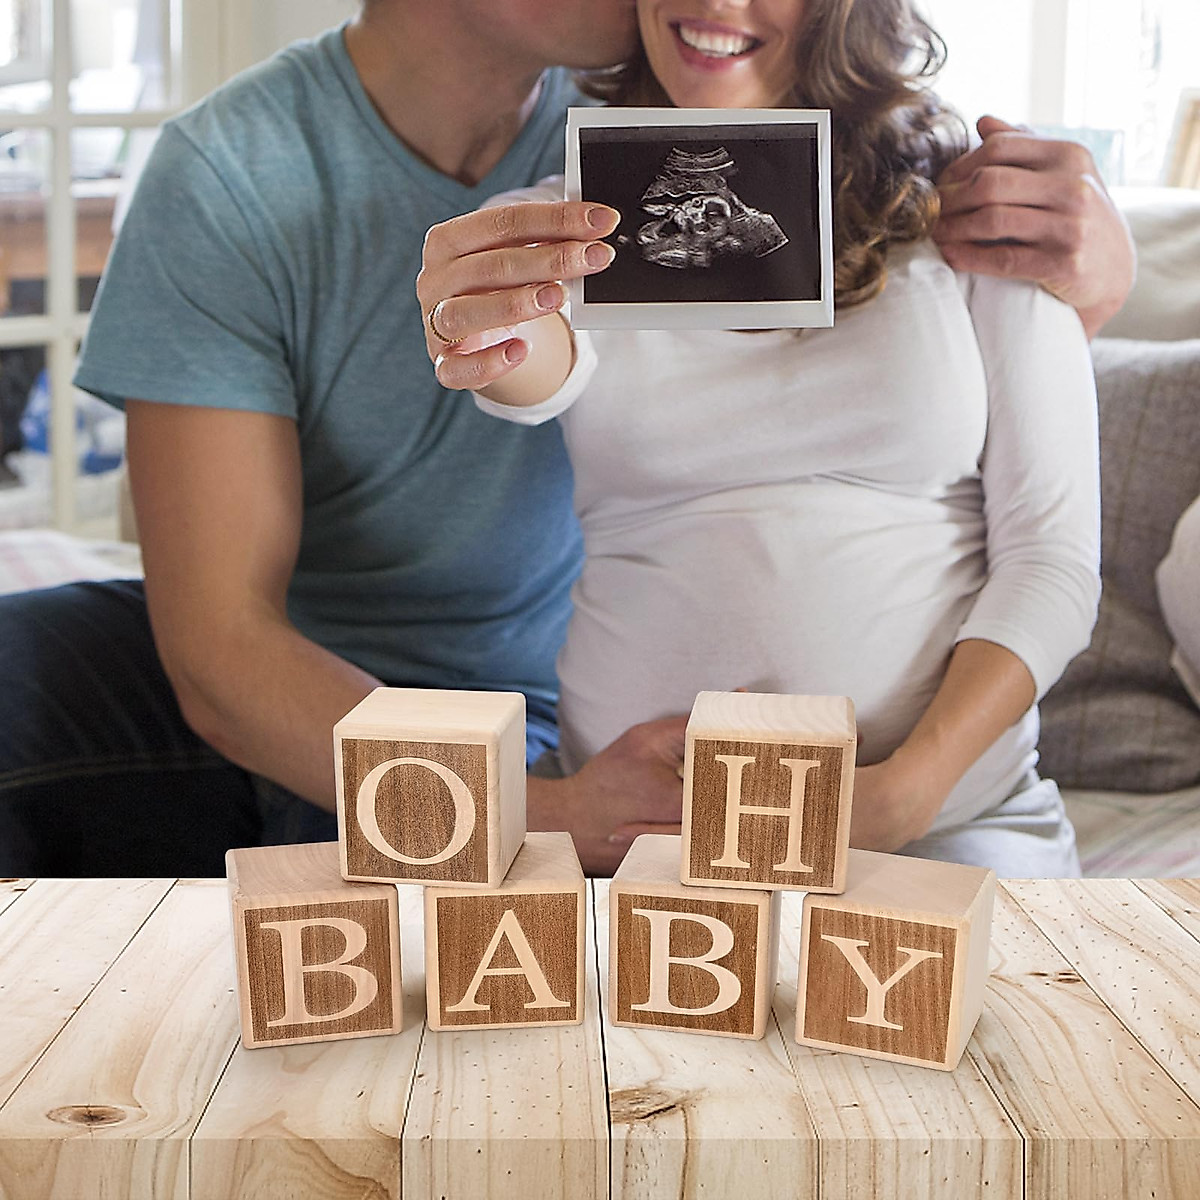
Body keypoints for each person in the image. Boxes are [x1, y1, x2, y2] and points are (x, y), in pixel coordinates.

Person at [0, 0, 1130, 879]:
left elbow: (1026, 499)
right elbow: (227, 650)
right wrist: (544, 811)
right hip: (378, 704)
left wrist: (1090, 266)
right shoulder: (255, 173)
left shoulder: (715, 120)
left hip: (593, 722)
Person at [417, 0, 1104, 874]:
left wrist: (905, 791)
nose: (713, 3)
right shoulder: (559, 220)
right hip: (641, 833)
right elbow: (531, 363)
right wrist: (480, 330)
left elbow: (1053, 557)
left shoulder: (980, 207)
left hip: (944, 821)